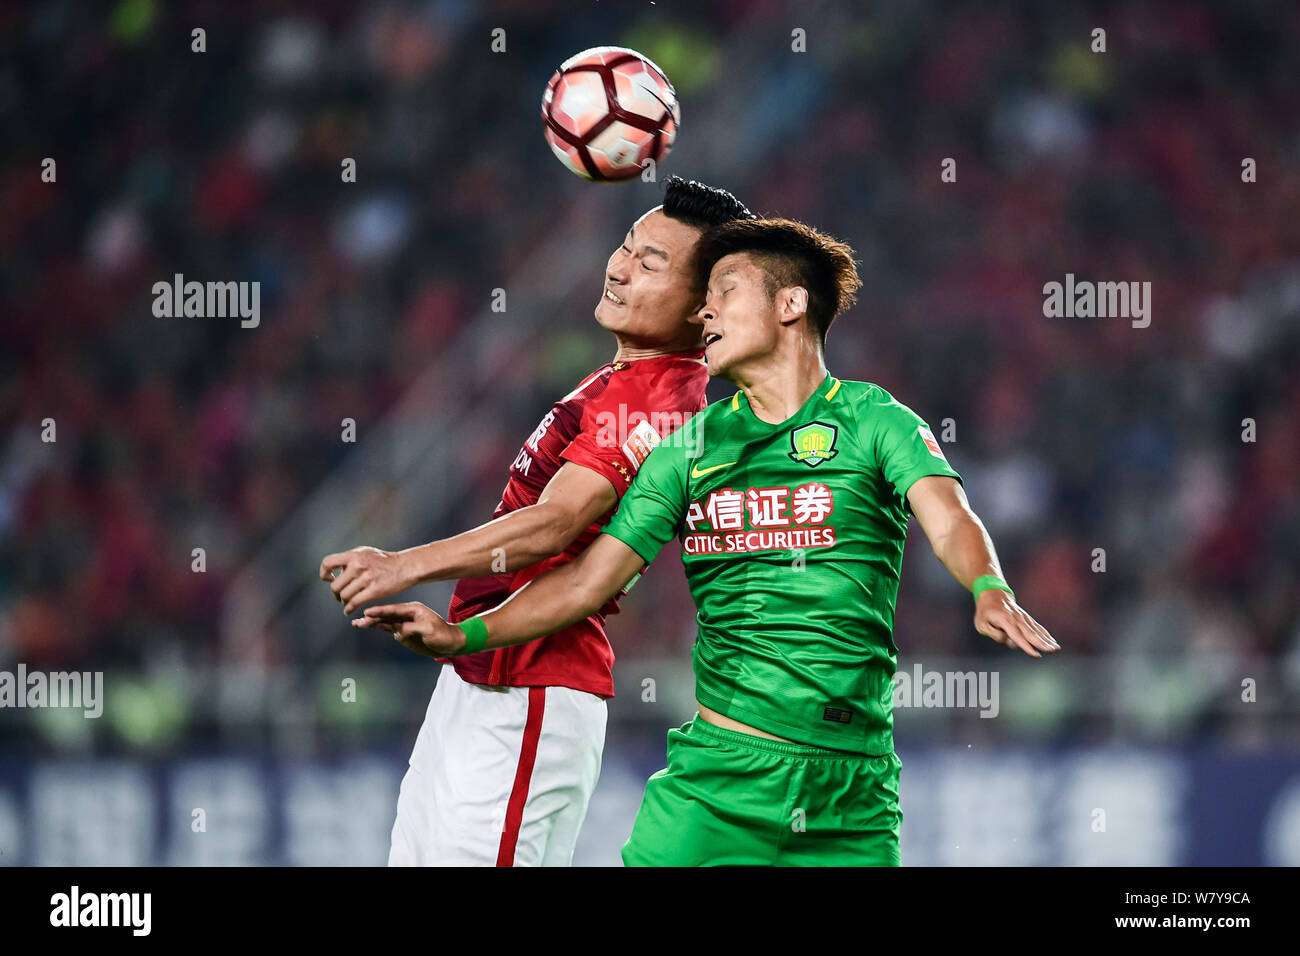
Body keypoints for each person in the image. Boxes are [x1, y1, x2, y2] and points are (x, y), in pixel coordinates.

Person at [353, 217, 1059, 866]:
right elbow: (587, 582)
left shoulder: (876, 420)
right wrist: (465, 637)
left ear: (790, 305)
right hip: (718, 782)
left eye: (725, 291)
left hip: (854, 789)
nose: (705, 311)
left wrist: (988, 587)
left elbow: (949, 515)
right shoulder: (689, 448)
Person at [320, 177, 755, 866]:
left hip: (533, 689)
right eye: (625, 247)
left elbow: (559, 521)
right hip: (483, 676)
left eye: (650, 264)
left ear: (705, 309)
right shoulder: (621, 379)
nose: (618, 268)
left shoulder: (655, 399)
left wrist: (406, 564)